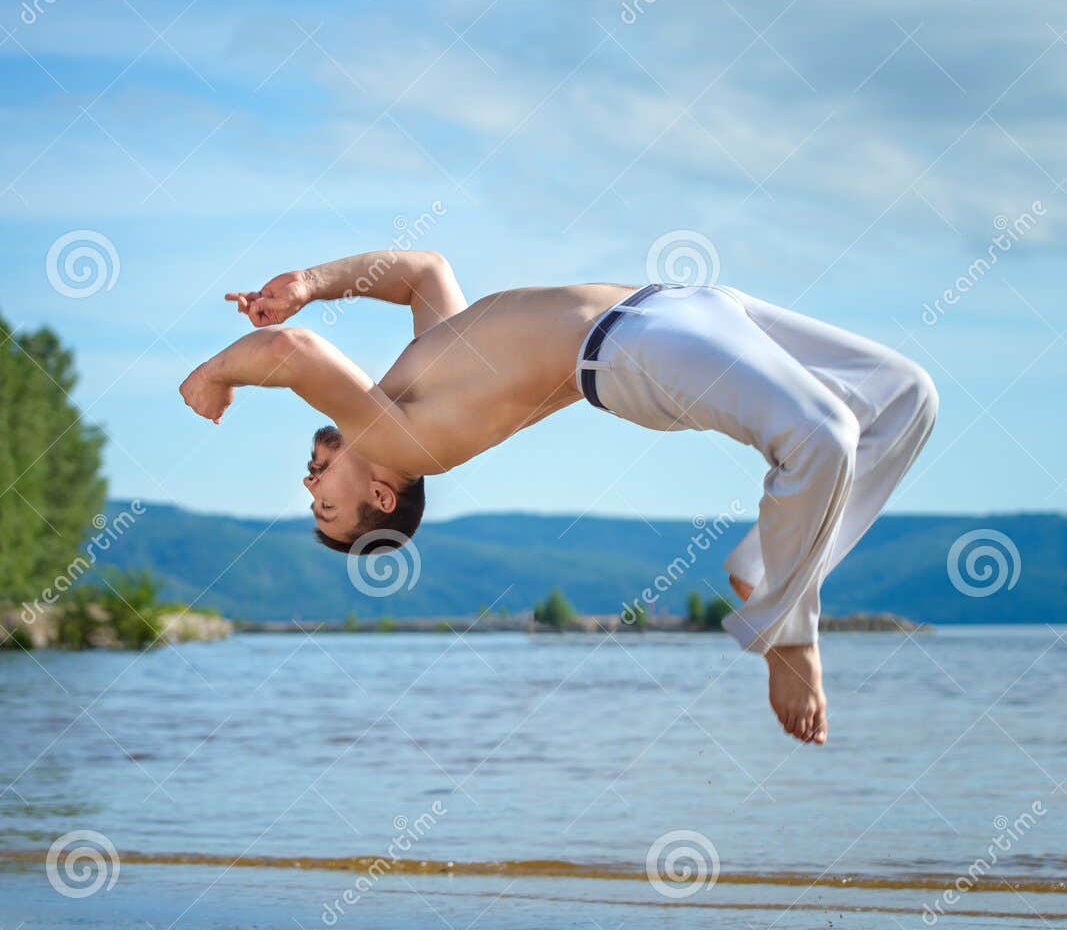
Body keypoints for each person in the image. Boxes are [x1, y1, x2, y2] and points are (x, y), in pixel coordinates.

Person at [179, 249, 937, 746]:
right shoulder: (402, 442)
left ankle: (766, 567)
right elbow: (292, 353)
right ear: (381, 493)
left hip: (685, 304)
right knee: (821, 436)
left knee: (903, 397)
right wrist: (214, 374)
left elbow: (421, 271)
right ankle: (785, 635)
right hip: (630, 350)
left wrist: (309, 283)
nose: (308, 483)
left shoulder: (416, 381)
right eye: (323, 505)